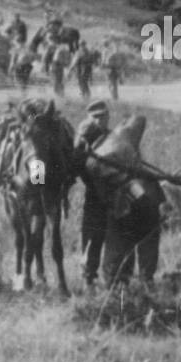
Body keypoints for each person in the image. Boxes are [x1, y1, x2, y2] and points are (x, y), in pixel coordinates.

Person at [74, 100, 113, 289]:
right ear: (89, 118)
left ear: (108, 116)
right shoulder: (83, 139)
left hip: (117, 193)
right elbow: (76, 166)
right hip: (95, 196)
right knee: (93, 237)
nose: (100, 120)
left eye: (102, 116)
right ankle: (88, 278)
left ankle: (116, 279)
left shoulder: (115, 137)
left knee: (118, 237)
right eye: (95, 117)